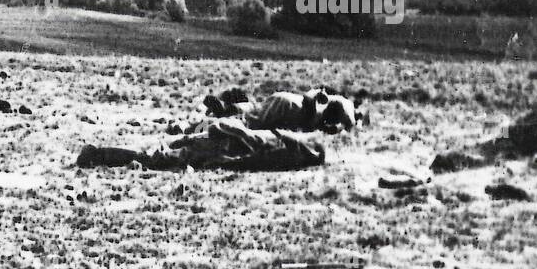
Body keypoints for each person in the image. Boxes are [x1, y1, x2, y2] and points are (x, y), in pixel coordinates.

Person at [77, 116, 325, 172]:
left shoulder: (288, 151)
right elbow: (231, 130)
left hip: (216, 147)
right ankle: (97, 154)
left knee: (154, 157)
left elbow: (250, 158)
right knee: (154, 158)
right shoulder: (286, 150)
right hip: (216, 145)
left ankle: (98, 154)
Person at [202, 87, 361, 133]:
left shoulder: (324, 112)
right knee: (254, 121)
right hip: (290, 109)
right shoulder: (344, 106)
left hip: (288, 101)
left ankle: (226, 110)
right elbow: (350, 126)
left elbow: (310, 96)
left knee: (256, 112)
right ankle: (223, 114)